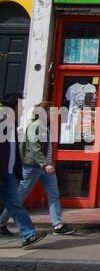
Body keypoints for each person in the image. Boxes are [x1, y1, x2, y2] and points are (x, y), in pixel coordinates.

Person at [0, 100, 65, 235]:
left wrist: (48, 163)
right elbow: (34, 148)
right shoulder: (35, 126)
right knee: (19, 197)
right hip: (34, 167)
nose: (54, 114)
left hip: (46, 167)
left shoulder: (44, 126)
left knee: (54, 194)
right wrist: (45, 163)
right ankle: (1, 222)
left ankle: (58, 224)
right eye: (51, 111)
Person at [0, 97, 44, 248]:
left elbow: (13, 151)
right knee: (14, 204)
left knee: (15, 204)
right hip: (3, 173)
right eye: (21, 106)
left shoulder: (12, 122)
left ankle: (28, 235)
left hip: (9, 173)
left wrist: (16, 171)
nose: (23, 109)